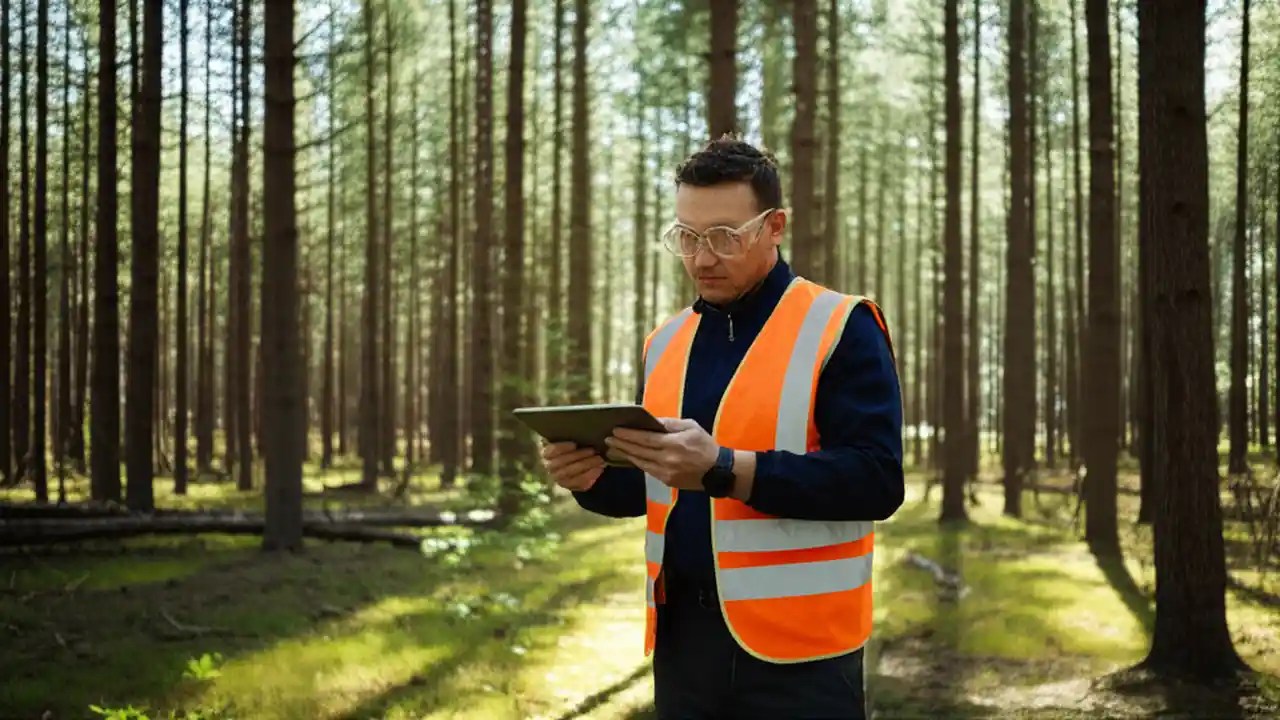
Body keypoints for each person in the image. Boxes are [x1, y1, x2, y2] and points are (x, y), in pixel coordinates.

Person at [539, 136, 904, 719]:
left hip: (804, 655)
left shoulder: (841, 325)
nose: (702, 258)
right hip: (683, 644)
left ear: (775, 225)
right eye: (686, 236)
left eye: (724, 237)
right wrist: (589, 480)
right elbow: (652, 486)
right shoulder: (665, 342)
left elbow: (877, 480)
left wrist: (725, 469)